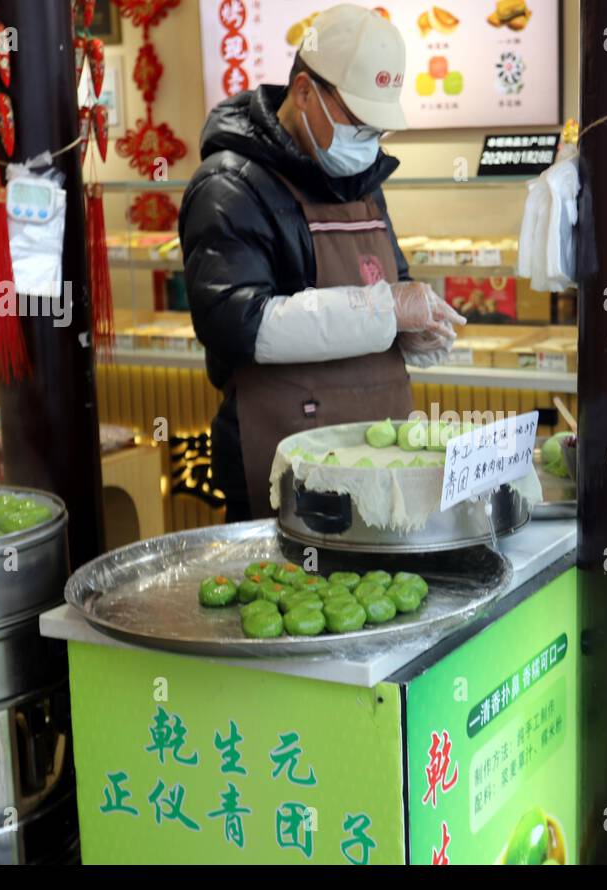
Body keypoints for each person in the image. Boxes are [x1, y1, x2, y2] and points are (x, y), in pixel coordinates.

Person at [179, 4, 465, 521]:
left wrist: (410, 329)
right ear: (306, 91)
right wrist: (384, 312)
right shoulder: (229, 185)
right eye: (358, 121)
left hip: (380, 467)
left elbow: (388, 285)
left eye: (378, 129)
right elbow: (234, 324)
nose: (367, 142)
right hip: (284, 472)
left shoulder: (361, 183)